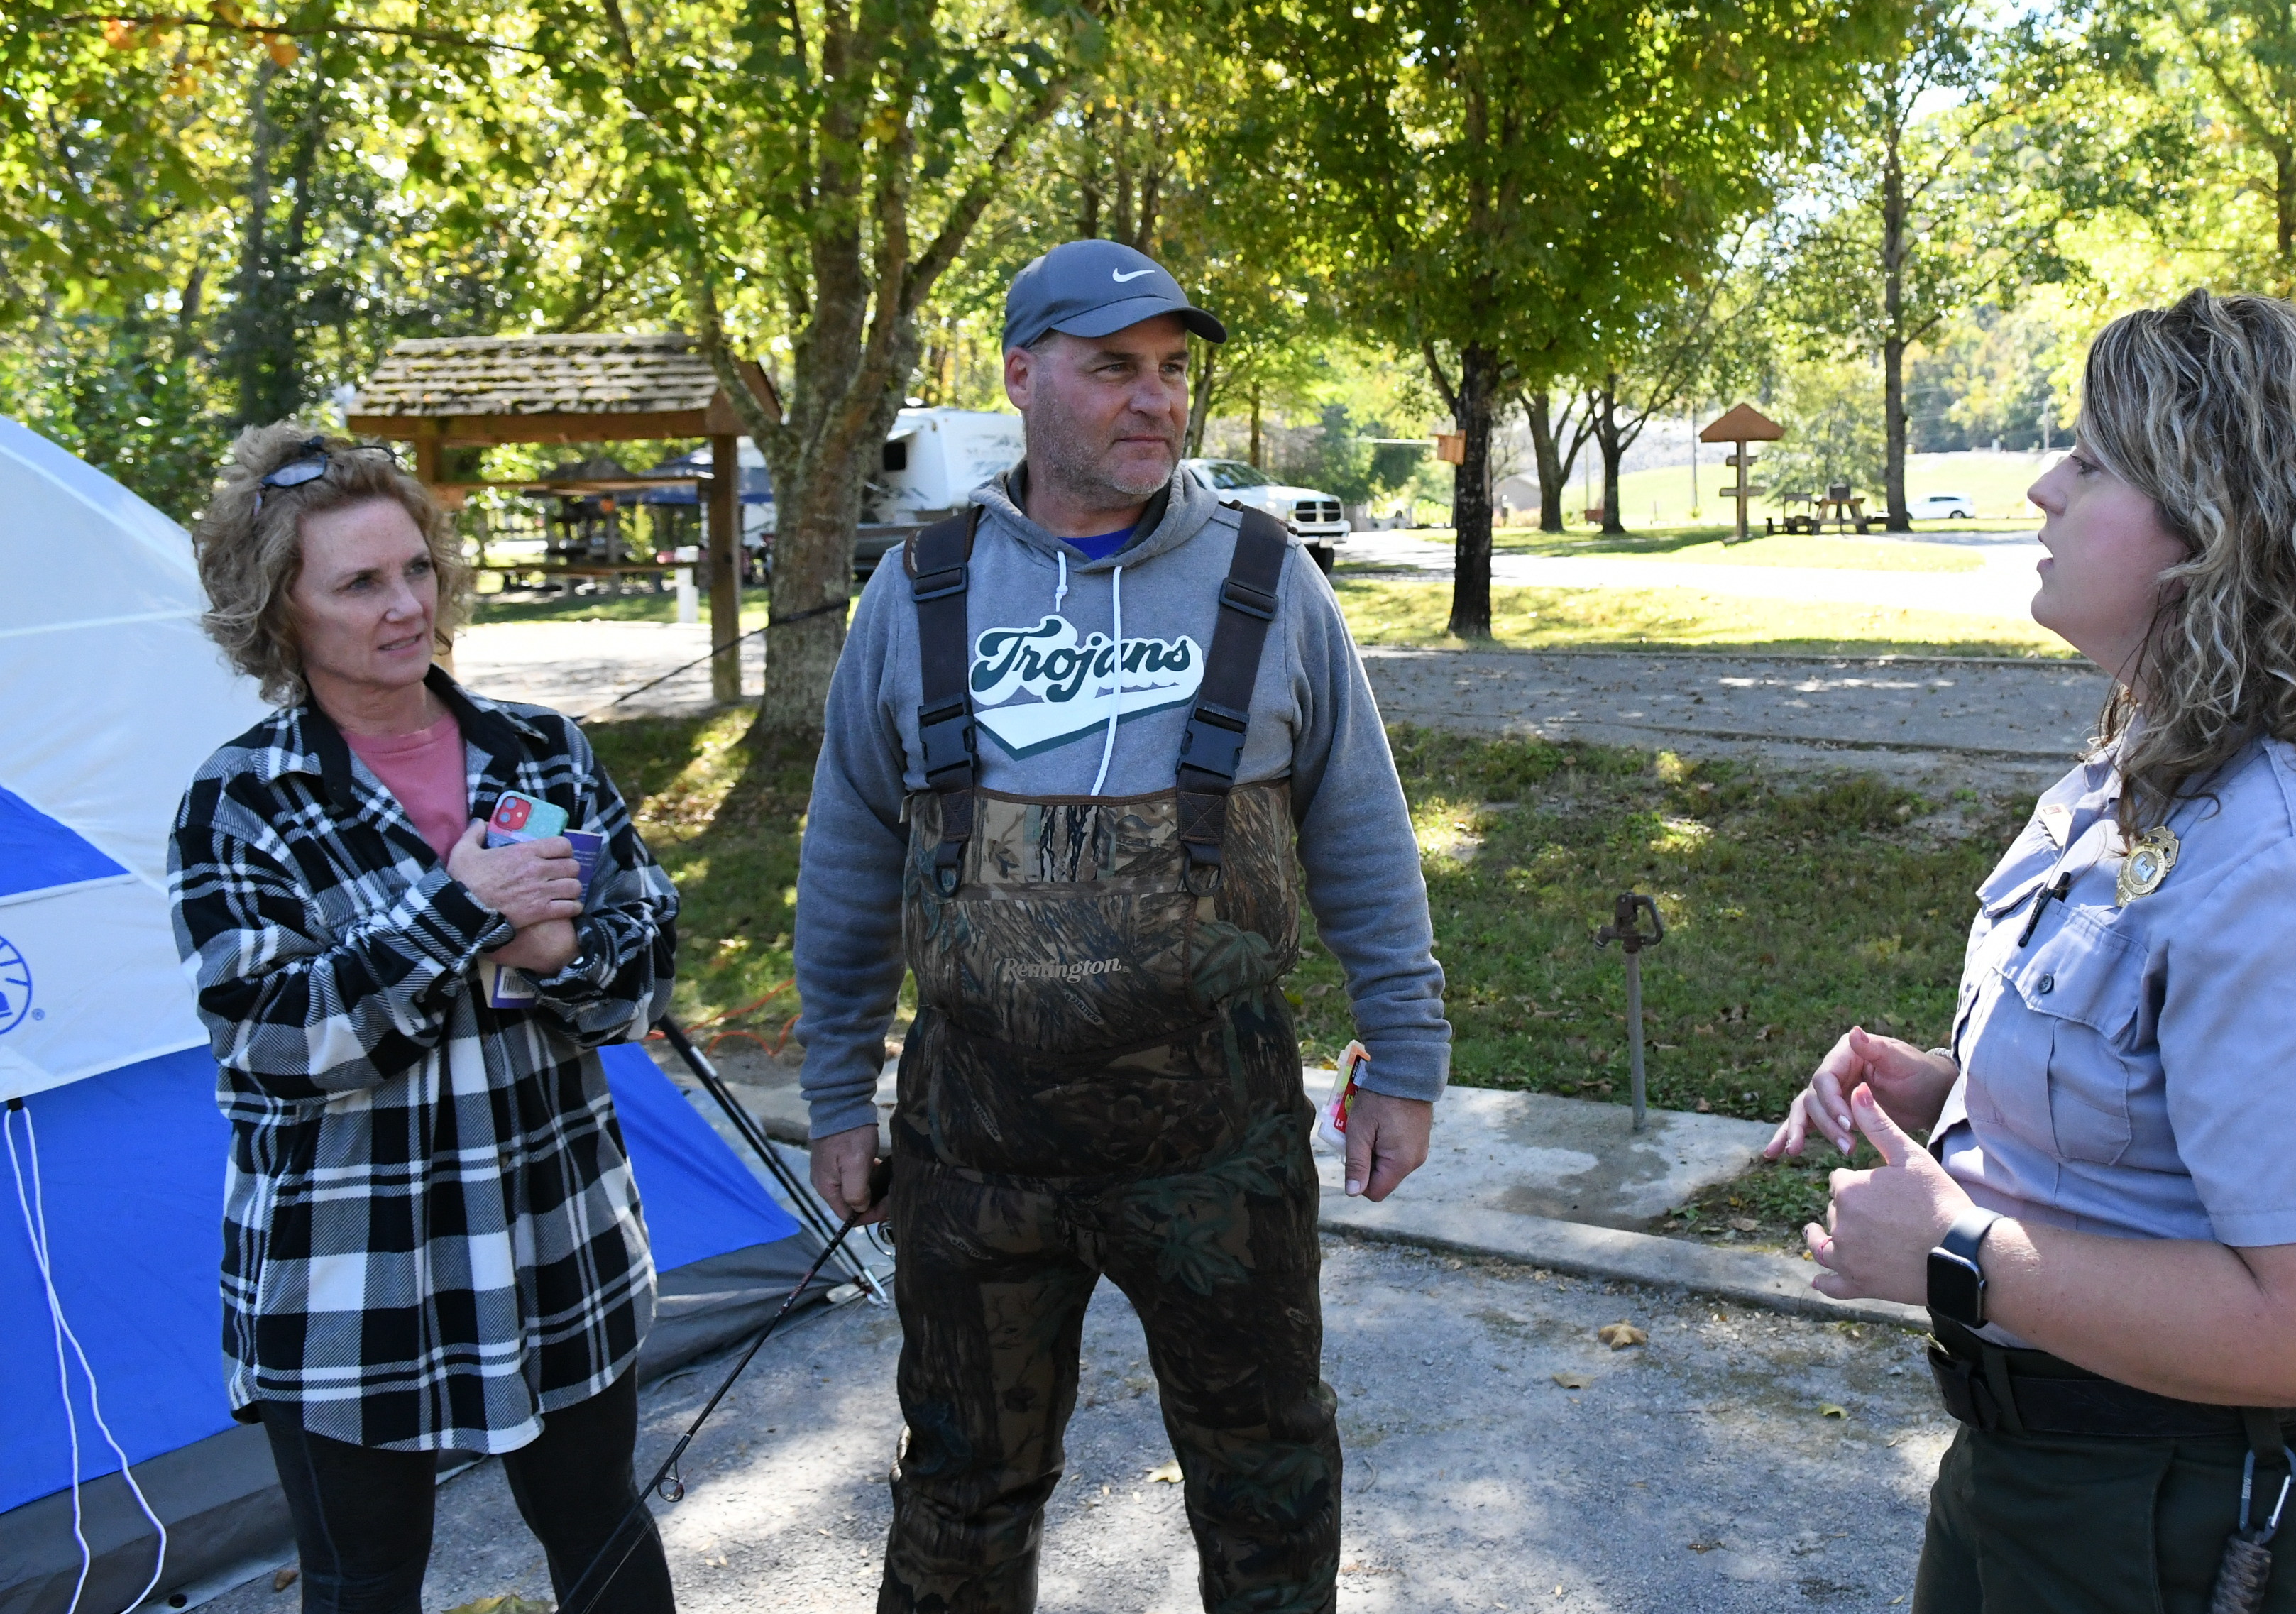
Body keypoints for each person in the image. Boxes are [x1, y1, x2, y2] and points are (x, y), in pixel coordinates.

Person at [1767, 290, 2296, 1612]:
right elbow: (2174, 1124)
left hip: (2232, 1528)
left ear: (2214, 525)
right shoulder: (2146, 775)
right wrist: (1959, 1101)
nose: (2044, 486)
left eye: (2096, 459)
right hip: (2066, 1477)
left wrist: (1957, 1251)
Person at [794, 239, 1452, 1613]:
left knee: (1266, 1476)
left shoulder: (1271, 584)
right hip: (977, 1148)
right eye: (1113, 370)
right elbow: (852, 855)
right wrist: (837, 1096)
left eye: (1171, 371)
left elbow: (1362, 837)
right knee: (963, 1484)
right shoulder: (917, 591)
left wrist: (1406, 1052)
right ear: (1022, 378)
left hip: (1215, 1142)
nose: (1156, 401)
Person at [170, 427, 681, 1614]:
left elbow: (647, 962)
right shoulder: (242, 799)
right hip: (349, 1274)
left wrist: (563, 956)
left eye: (418, 569)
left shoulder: (539, 746)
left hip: (556, 1237)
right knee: (363, 1581)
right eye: (358, 583)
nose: (406, 607)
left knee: (602, 1534)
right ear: (277, 610)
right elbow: (274, 1041)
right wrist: (461, 911)